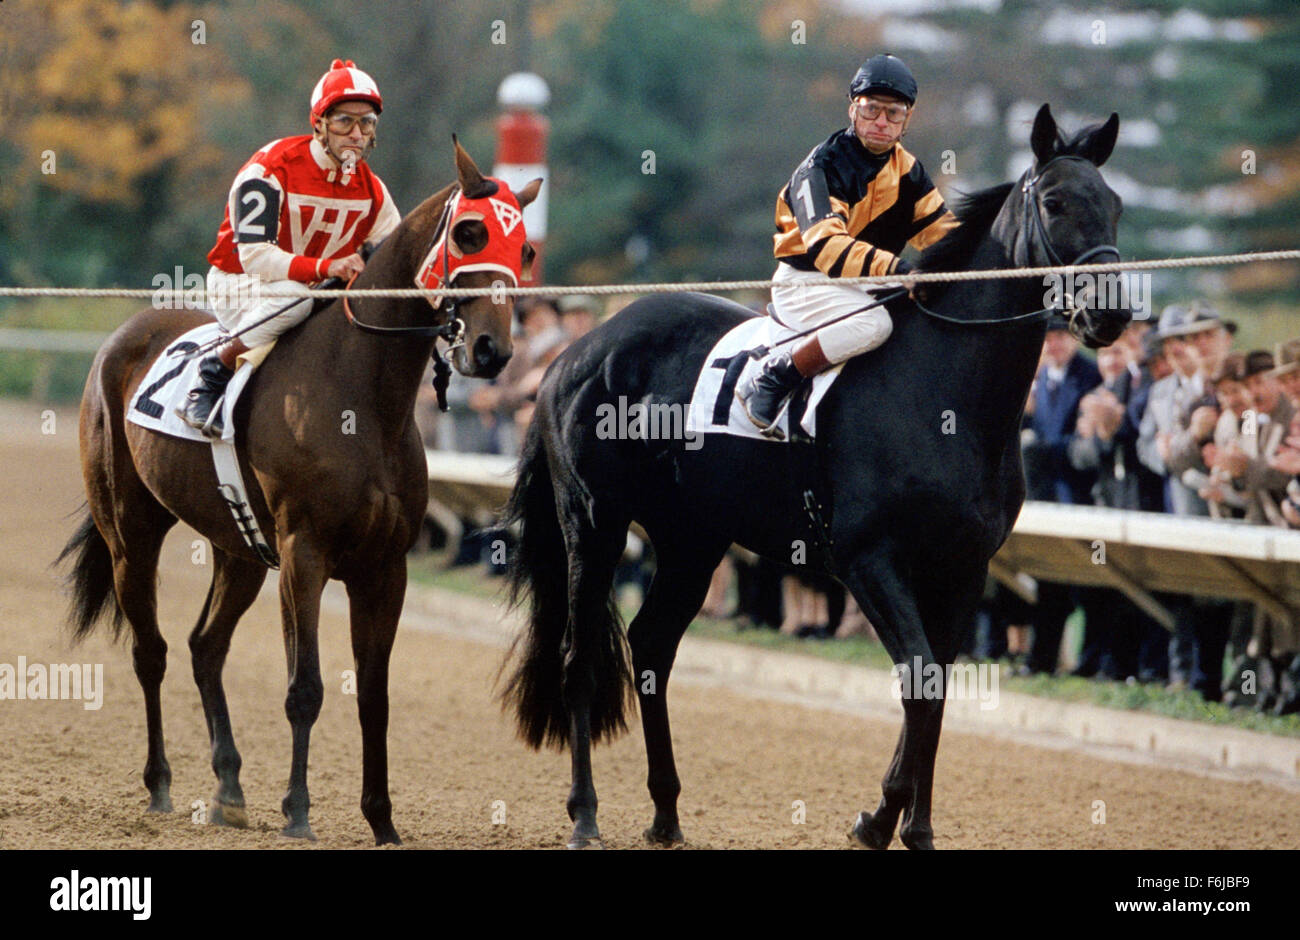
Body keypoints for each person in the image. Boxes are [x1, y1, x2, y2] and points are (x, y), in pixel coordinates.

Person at [737, 53, 958, 437]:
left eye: (894, 114)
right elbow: (829, 250)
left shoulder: (908, 170)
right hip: (807, 280)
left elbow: (947, 237)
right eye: (871, 109)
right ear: (853, 109)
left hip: (867, 281)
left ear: (908, 119)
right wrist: (901, 270)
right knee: (873, 324)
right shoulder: (820, 168)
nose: (882, 122)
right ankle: (775, 376)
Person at [179, 59, 400, 436]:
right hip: (240, 284)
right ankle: (212, 374)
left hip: (314, 295)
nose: (357, 133)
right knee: (295, 298)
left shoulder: (373, 190)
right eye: (345, 120)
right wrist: (326, 268)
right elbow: (255, 257)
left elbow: (396, 256)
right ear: (319, 124)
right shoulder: (269, 169)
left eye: (367, 123)